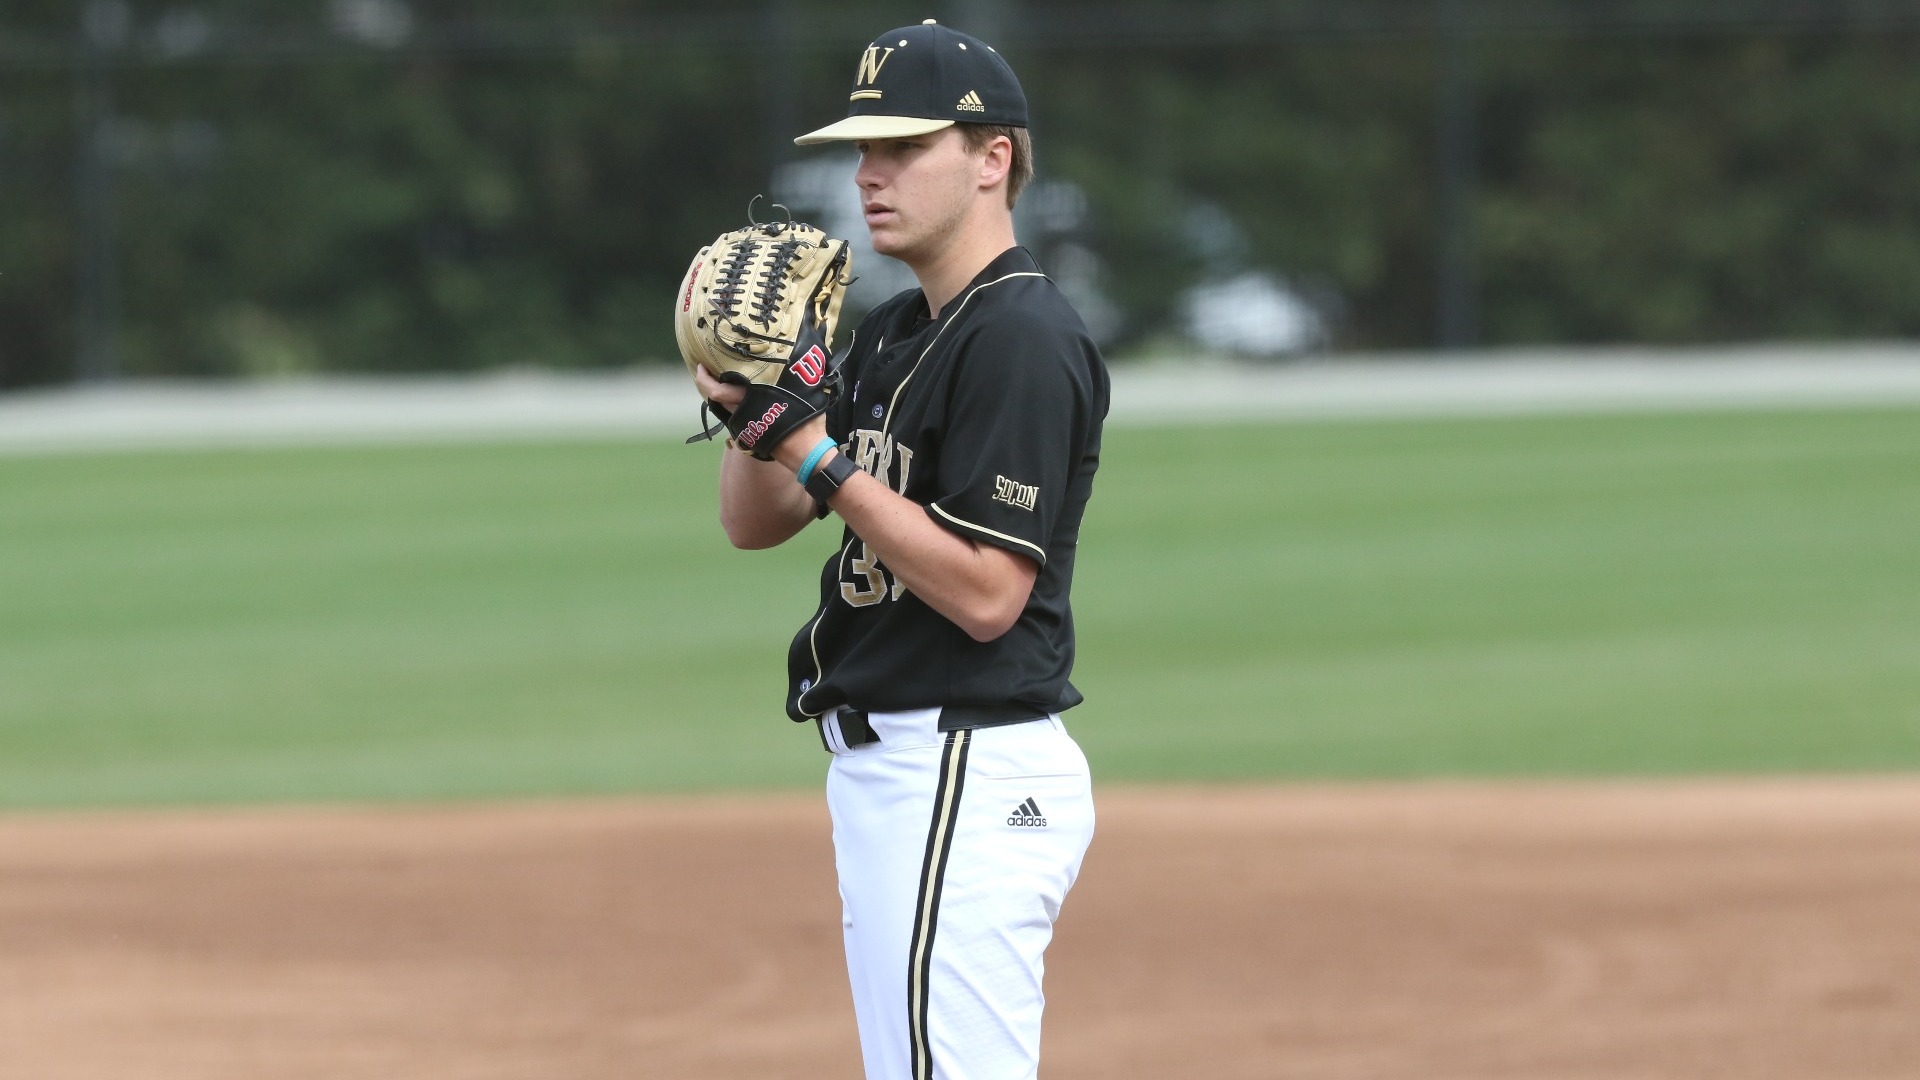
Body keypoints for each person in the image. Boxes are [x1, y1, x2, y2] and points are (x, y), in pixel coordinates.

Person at [689, 19, 1110, 1080]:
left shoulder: (1020, 337)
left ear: (992, 158)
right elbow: (755, 521)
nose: (870, 174)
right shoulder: (889, 331)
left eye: (905, 147)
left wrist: (815, 451)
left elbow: (988, 593)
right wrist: (754, 410)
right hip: (906, 773)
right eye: (864, 149)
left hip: (961, 760)